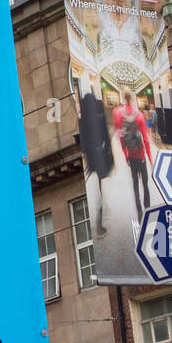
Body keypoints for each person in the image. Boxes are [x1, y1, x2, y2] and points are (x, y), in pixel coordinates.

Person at [75, 75, 113, 235]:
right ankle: (98, 223)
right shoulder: (97, 109)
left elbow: (83, 138)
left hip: (91, 157)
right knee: (97, 189)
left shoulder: (83, 114)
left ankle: (98, 221)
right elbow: (104, 132)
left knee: (95, 189)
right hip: (99, 154)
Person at [113, 87, 153, 212]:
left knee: (135, 183)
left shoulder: (119, 114)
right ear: (132, 97)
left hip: (131, 155)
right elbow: (145, 139)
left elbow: (120, 137)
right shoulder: (139, 115)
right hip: (141, 155)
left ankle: (139, 210)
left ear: (123, 98)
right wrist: (150, 159)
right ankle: (148, 207)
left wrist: (126, 155)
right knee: (145, 183)